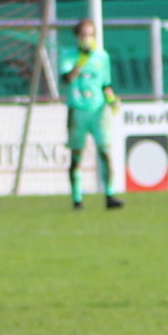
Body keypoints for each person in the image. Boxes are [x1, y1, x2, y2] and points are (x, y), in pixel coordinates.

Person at [60, 17, 121, 210]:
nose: (87, 38)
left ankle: (110, 195)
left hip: (98, 111)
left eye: (90, 35)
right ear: (77, 37)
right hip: (77, 110)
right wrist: (82, 60)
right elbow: (67, 79)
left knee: (105, 151)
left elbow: (106, 85)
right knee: (76, 155)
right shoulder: (68, 55)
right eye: (83, 35)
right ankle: (77, 199)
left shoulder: (102, 57)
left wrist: (112, 100)